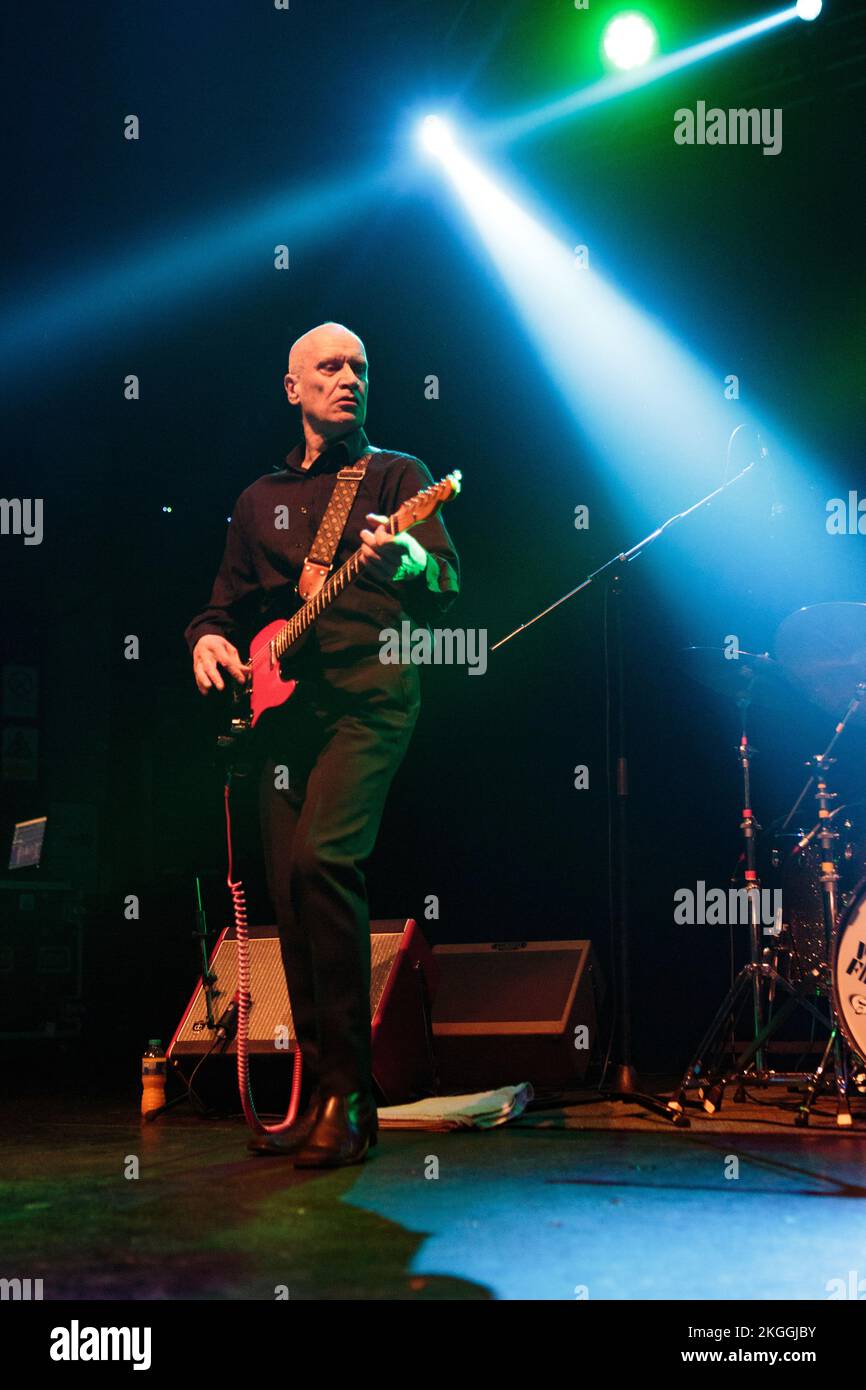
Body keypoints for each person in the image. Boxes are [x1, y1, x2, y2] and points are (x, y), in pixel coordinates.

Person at [184, 322, 460, 1167]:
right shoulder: (255, 497)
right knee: (288, 894)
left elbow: (445, 581)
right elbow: (221, 607)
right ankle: (319, 1086)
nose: (348, 379)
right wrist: (206, 642)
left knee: (323, 864)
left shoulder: (396, 476)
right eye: (329, 368)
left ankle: (352, 1093)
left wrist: (409, 557)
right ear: (292, 388)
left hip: (371, 700)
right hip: (283, 721)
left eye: (361, 368)